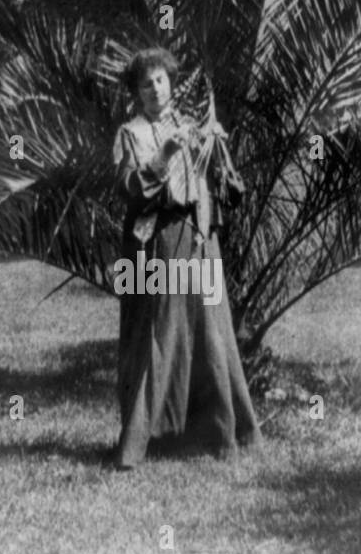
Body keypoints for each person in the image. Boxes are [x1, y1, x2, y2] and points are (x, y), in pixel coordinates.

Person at [111, 47, 262, 469]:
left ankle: (218, 431)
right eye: (146, 83)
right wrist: (165, 156)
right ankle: (142, 440)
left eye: (161, 80)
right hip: (157, 241)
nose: (155, 88)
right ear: (137, 93)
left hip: (199, 238)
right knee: (159, 333)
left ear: (170, 83)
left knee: (210, 329)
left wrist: (216, 152)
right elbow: (129, 190)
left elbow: (221, 183)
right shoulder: (131, 134)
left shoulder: (192, 127)